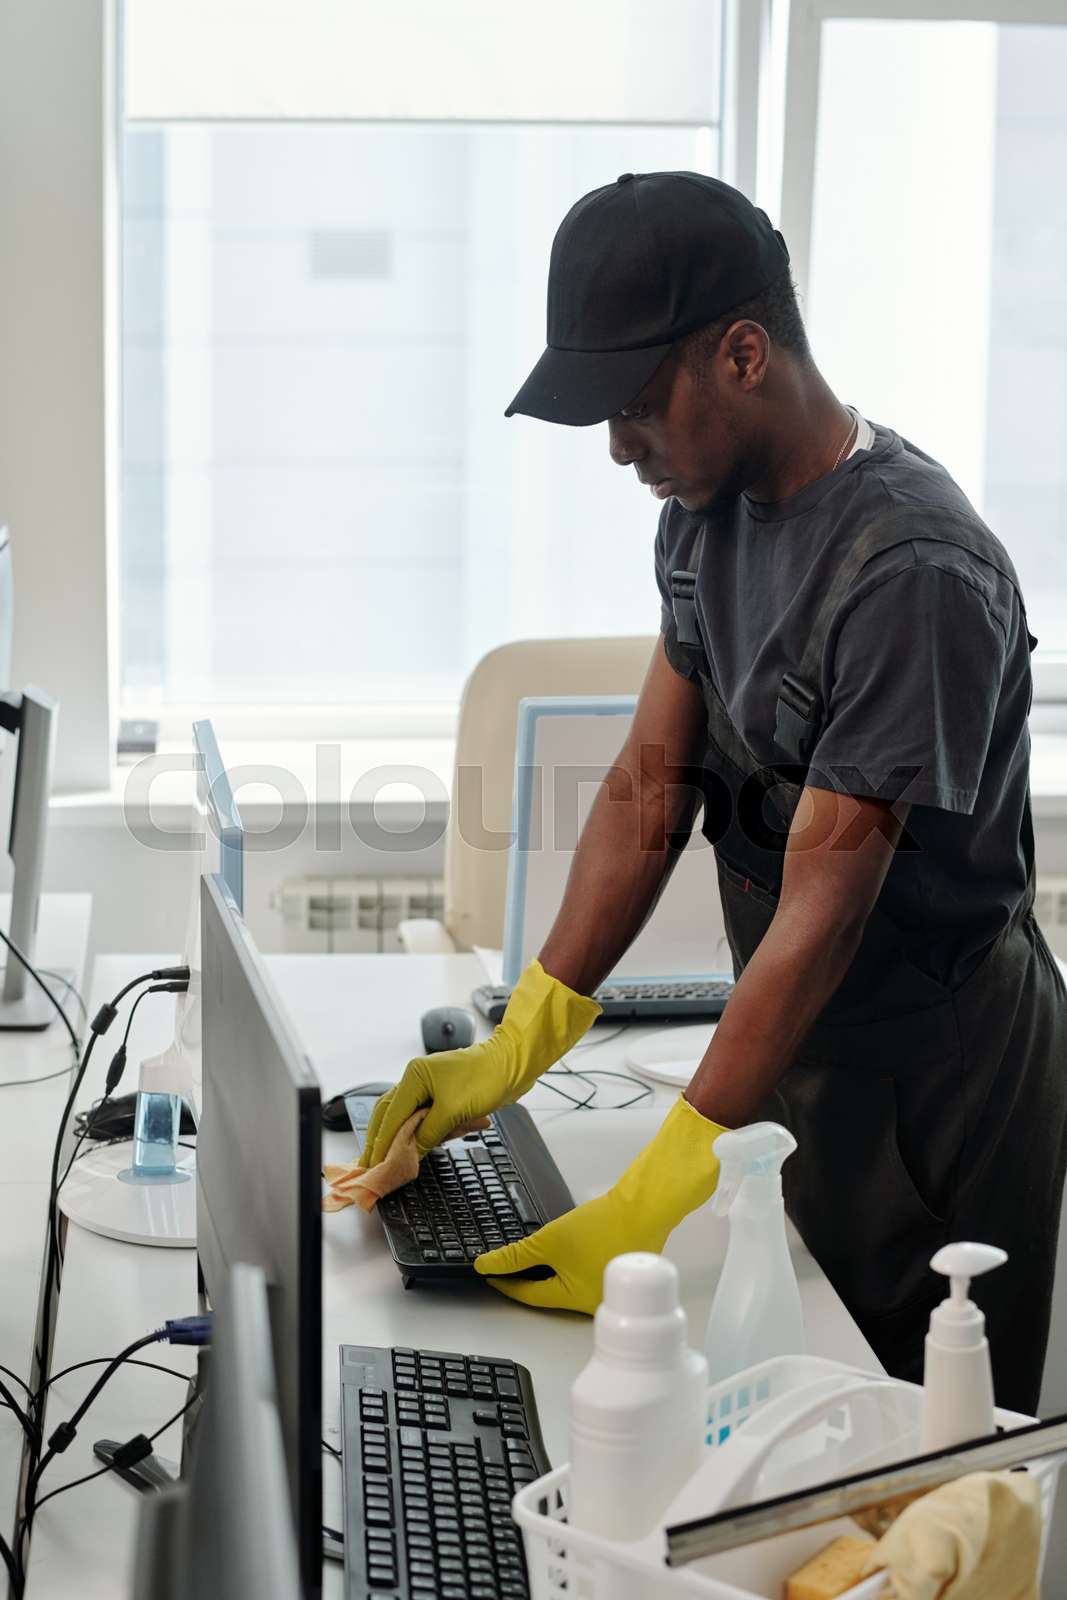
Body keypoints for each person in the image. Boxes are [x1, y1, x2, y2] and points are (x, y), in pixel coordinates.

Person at [363, 172, 1067, 1415]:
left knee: (897, 1465)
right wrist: (519, 1040)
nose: (619, 447)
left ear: (741, 352)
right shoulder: (705, 509)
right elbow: (649, 787)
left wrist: (658, 1184)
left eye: (636, 406)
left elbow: (821, 908)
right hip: (802, 1038)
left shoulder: (910, 572)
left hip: (935, 1089)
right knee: (771, 1403)